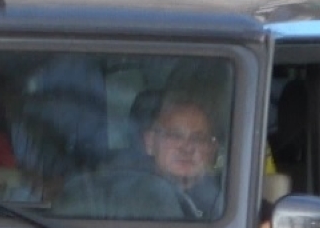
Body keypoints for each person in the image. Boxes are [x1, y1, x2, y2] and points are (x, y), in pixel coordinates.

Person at [60, 93, 228, 220]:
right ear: (149, 142)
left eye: (198, 138)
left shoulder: (228, 203)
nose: (187, 148)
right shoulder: (110, 194)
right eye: (174, 135)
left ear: (212, 149)